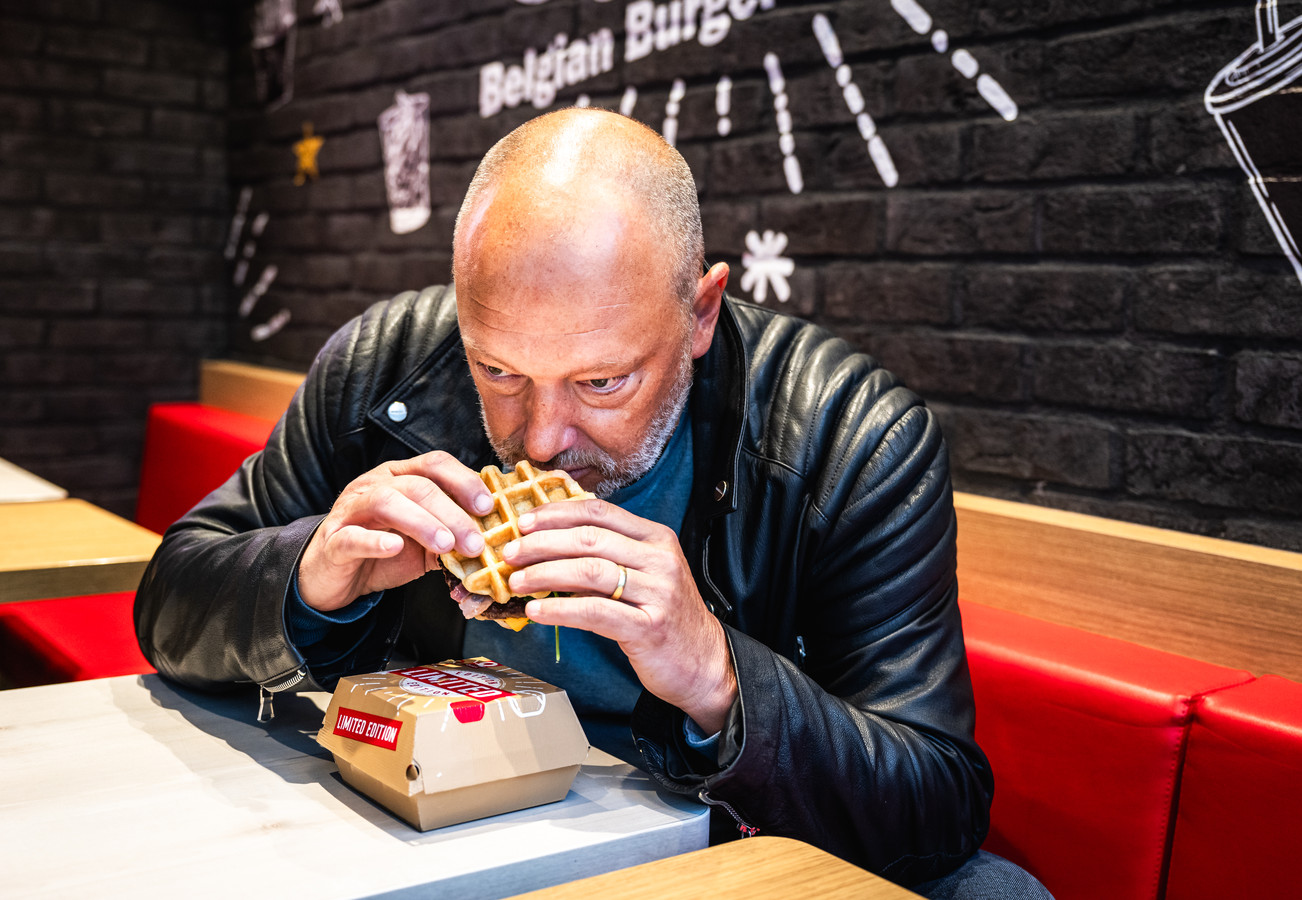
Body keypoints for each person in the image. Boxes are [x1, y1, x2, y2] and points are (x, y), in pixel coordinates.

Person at [135, 108, 1050, 898]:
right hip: (426, 823)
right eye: (498, 371)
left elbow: (936, 798)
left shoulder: (847, 438)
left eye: (603, 381)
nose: (541, 439)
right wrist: (307, 573)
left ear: (700, 314)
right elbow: (172, 597)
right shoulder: (388, 369)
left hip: (709, 845)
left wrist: (718, 676)